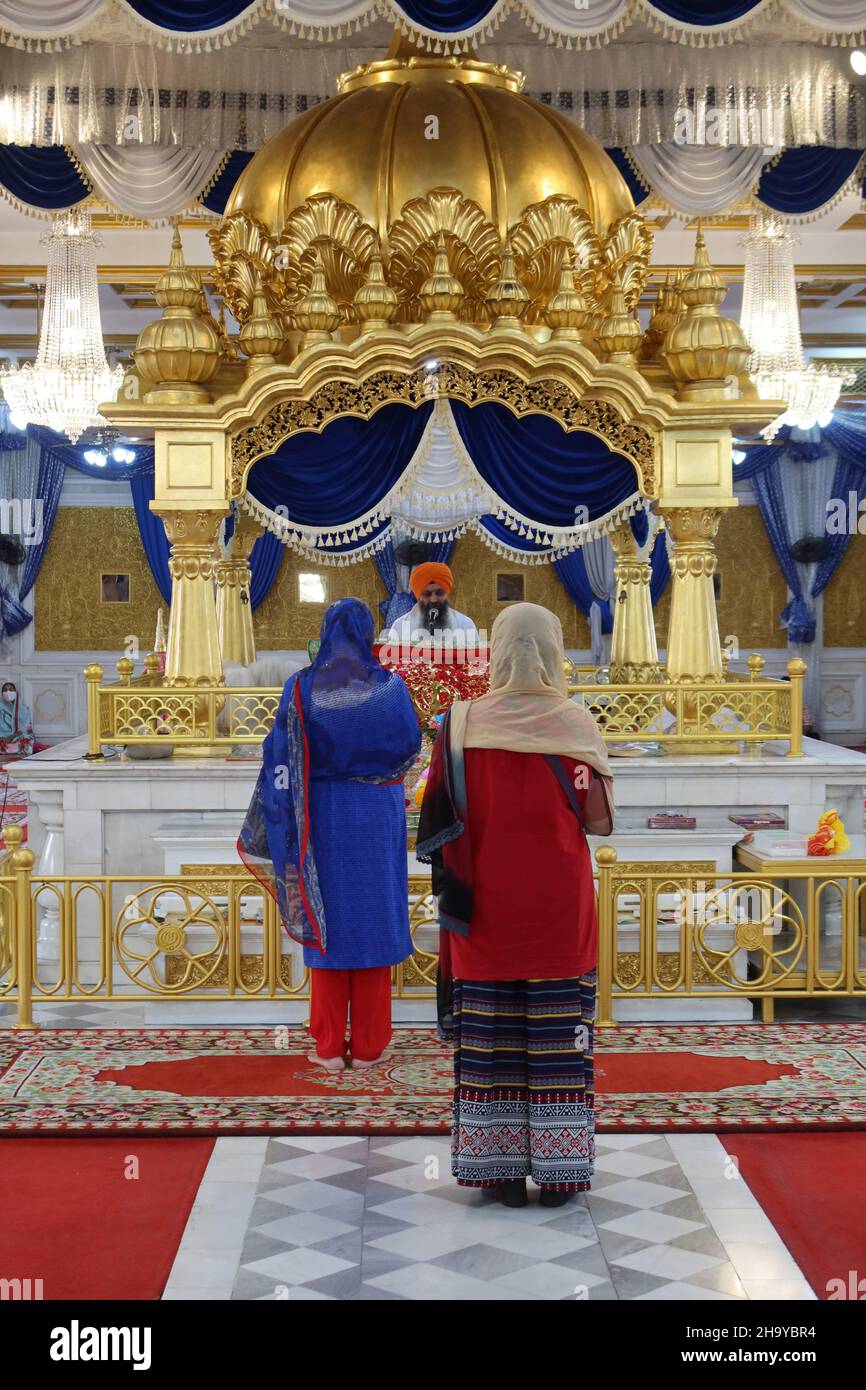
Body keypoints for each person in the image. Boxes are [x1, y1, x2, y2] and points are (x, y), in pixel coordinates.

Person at [417, 602, 614, 1208]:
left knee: (491, 1042)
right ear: (553, 649)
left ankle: (499, 1175)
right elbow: (595, 819)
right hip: (557, 906)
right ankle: (557, 1177)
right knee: (558, 1038)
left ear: (496, 651)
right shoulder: (577, 724)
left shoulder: (459, 724)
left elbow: (436, 815)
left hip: (483, 907)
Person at [238, 598, 422, 1071]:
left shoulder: (301, 687)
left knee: (327, 921)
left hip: (318, 814)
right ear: (368, 635)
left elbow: (275, 748)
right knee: (372, 919)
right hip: (375, 813)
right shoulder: (390, 688)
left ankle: (326, 1047)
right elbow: (409, 746)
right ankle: (369, 1046)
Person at [381, 561, 478, 647]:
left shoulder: (465, 624)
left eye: (439, 593)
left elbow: (474, 663)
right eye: (427, 594)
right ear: (418, 596)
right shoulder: (400, 626)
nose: (433, 599)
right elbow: (392, 664)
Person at [0, 681, 37, 758]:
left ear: (16, 692)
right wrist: (4, 737)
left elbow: (26, 729)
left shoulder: (24, 709)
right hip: (2, 737)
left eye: (11, 689)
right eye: (5, 690)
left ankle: (10, 749)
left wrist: (12, 736)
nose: (8, 692)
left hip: (17, 736)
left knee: (26, 740)